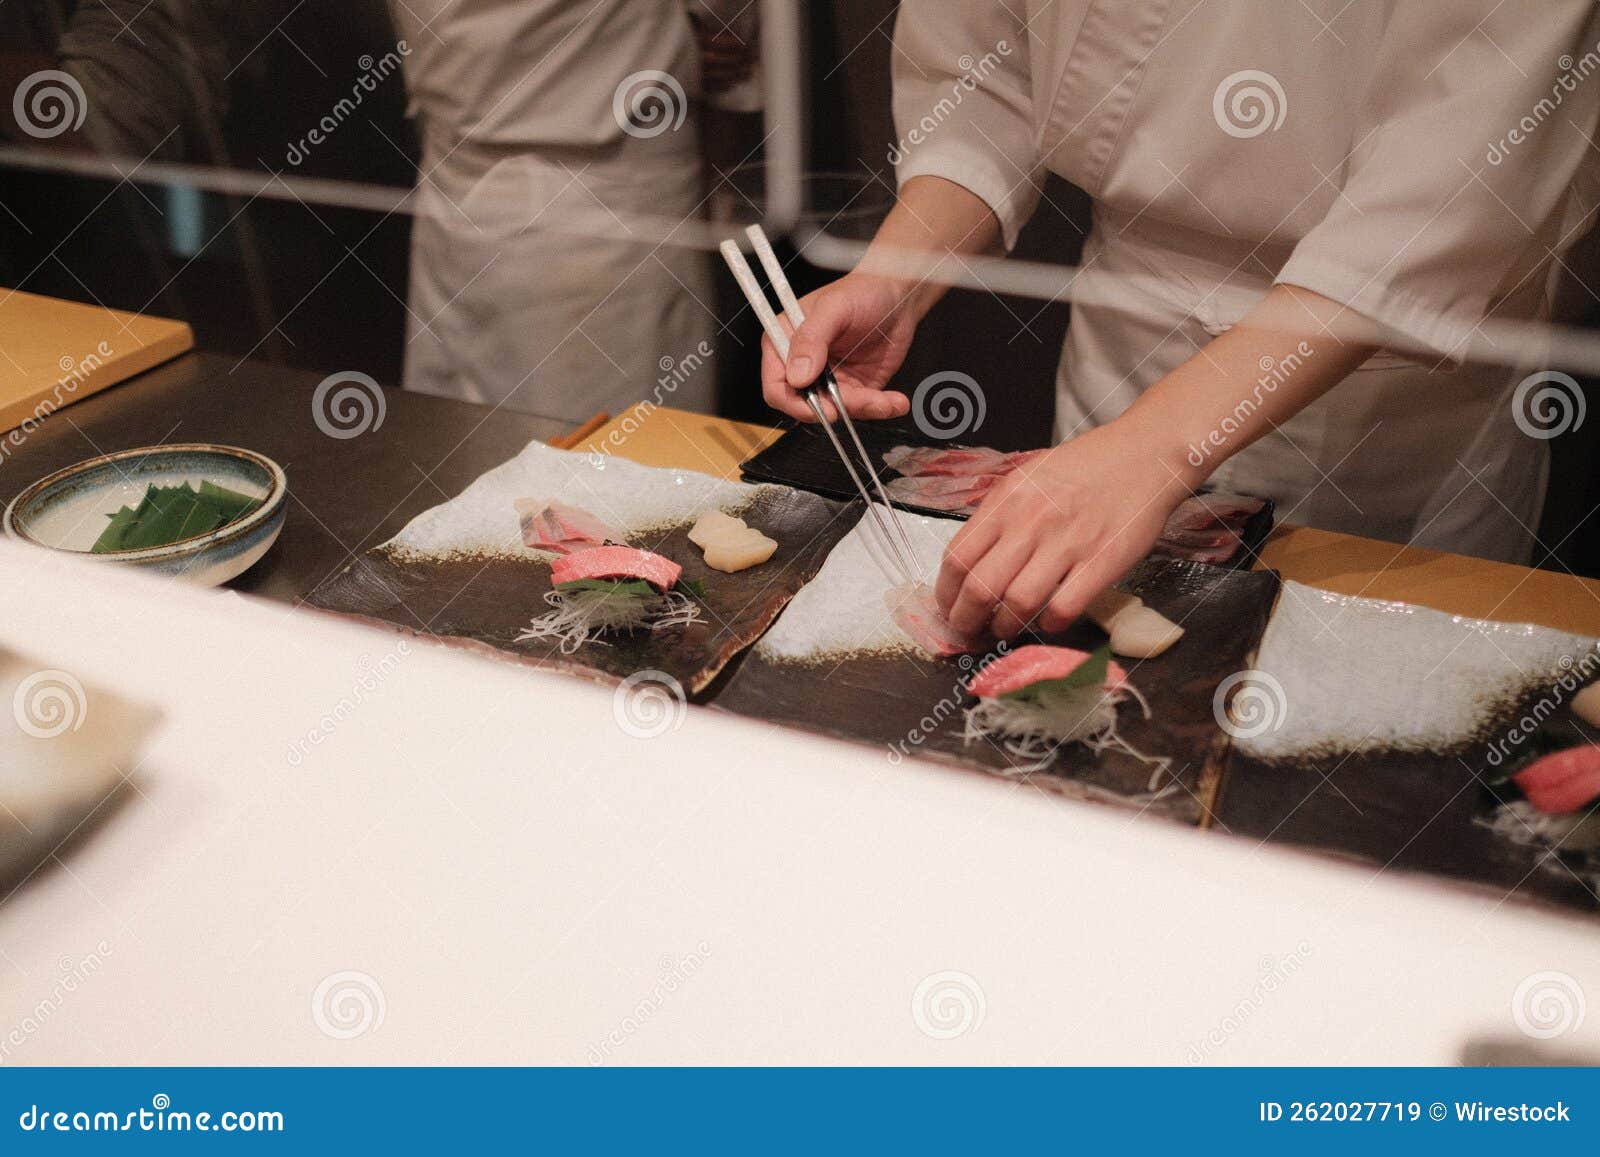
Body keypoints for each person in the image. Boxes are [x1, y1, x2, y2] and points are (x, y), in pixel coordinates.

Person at [762, 1, 1600, 642]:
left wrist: (1157, 445)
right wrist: (899, 277)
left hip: (1388, 394)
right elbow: (987, 69)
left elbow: (1441, 188)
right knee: (1085, 713)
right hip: (1122, 337)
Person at [392, 0, 751, 423]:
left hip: (460, 181)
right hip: (612, 194)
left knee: (472, 450)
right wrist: (702, 36)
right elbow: (729, 30)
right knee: (615, 466)